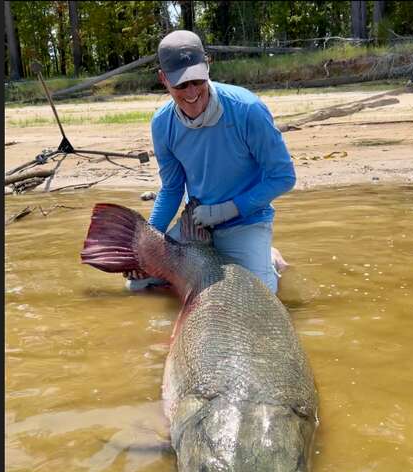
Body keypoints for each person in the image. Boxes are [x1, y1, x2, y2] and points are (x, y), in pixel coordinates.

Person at [125, 30, 296, 295]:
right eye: (180, 85)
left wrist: (228, 210)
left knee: (260, 297)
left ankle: (268, 257)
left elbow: (283, 176)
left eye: (197, 80)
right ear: (163, 79)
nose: (192, 92)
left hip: (246, 221)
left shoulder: (247, 110)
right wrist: (149, 242)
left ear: (208, 66)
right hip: (197, 224)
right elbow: (171, 190)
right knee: (137, 284)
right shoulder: (162, 123)